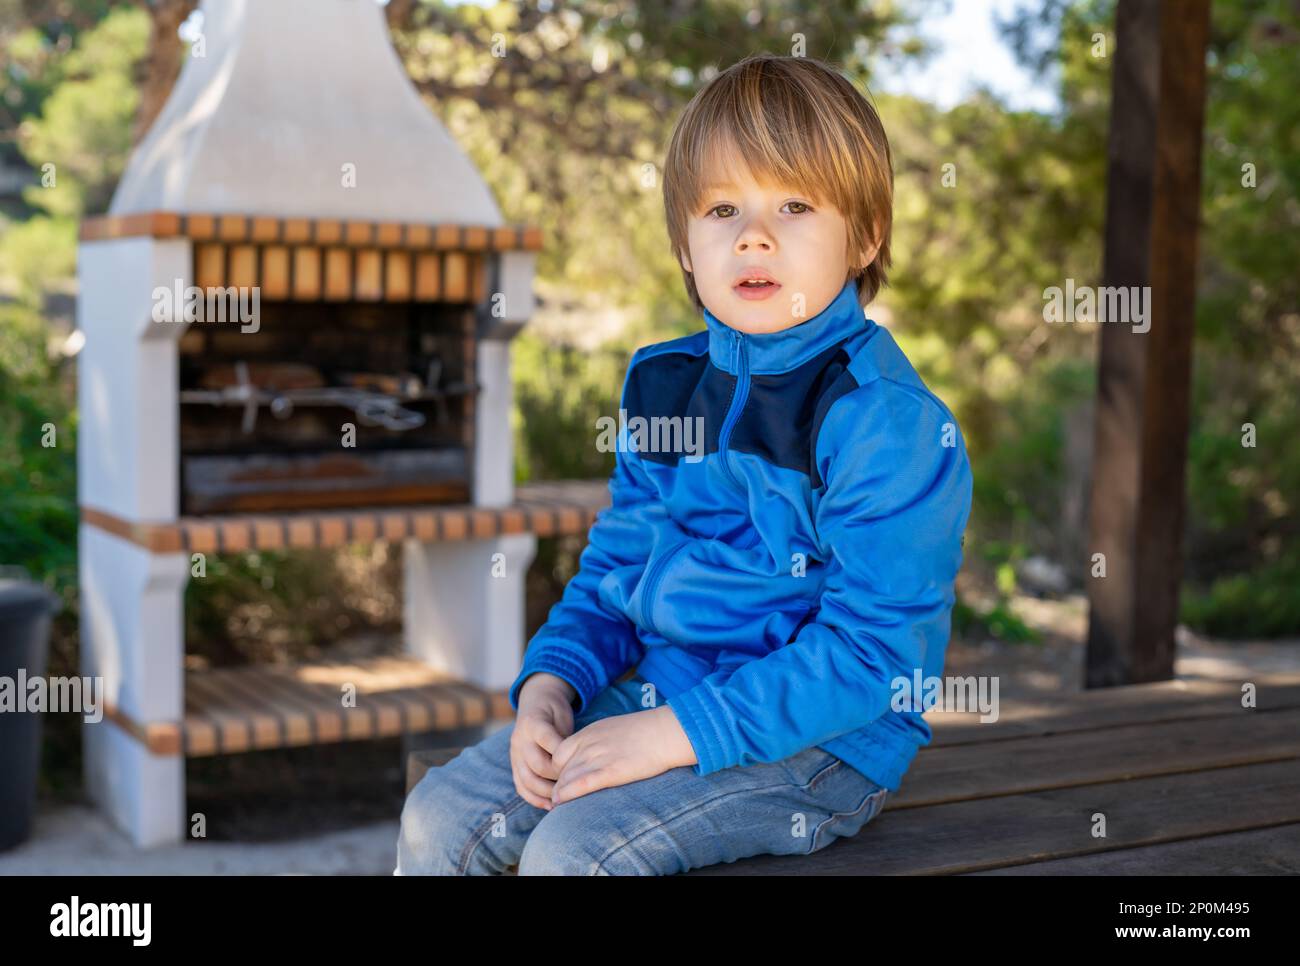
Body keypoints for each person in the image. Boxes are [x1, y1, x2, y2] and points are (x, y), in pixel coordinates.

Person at [397, 51, 972, 875]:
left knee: (579, 856)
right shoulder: (663, 385)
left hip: (828, 739)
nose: (754, 235)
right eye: (723, 207)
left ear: (866, 235)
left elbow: (870, 660)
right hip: (658, 691)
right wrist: (551, 686)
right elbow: (616, 569)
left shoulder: (882, 422)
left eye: (796, 204)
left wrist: (673, 736)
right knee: (440, 815)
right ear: (685, 242)